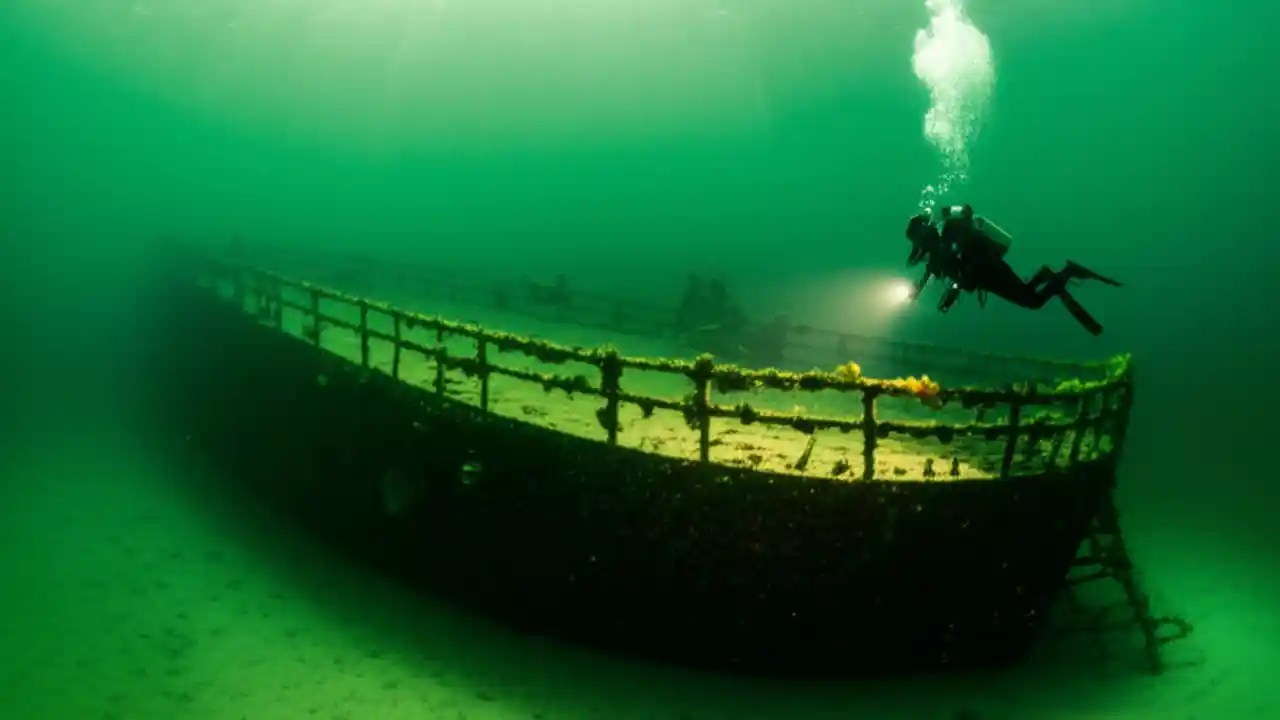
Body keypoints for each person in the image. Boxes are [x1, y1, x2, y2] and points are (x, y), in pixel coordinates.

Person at [904, 204, 1121, 335]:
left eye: (919, 241)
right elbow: (940, 273)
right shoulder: (938, 255)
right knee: (1028, 296)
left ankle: (1067, 272)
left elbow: (963, 266)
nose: (920, 246)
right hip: (989, 276)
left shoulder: (950, 232)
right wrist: (920, 292)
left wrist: (954, 286)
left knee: (1032, 301)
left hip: (991, 271)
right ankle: (1046, 275)